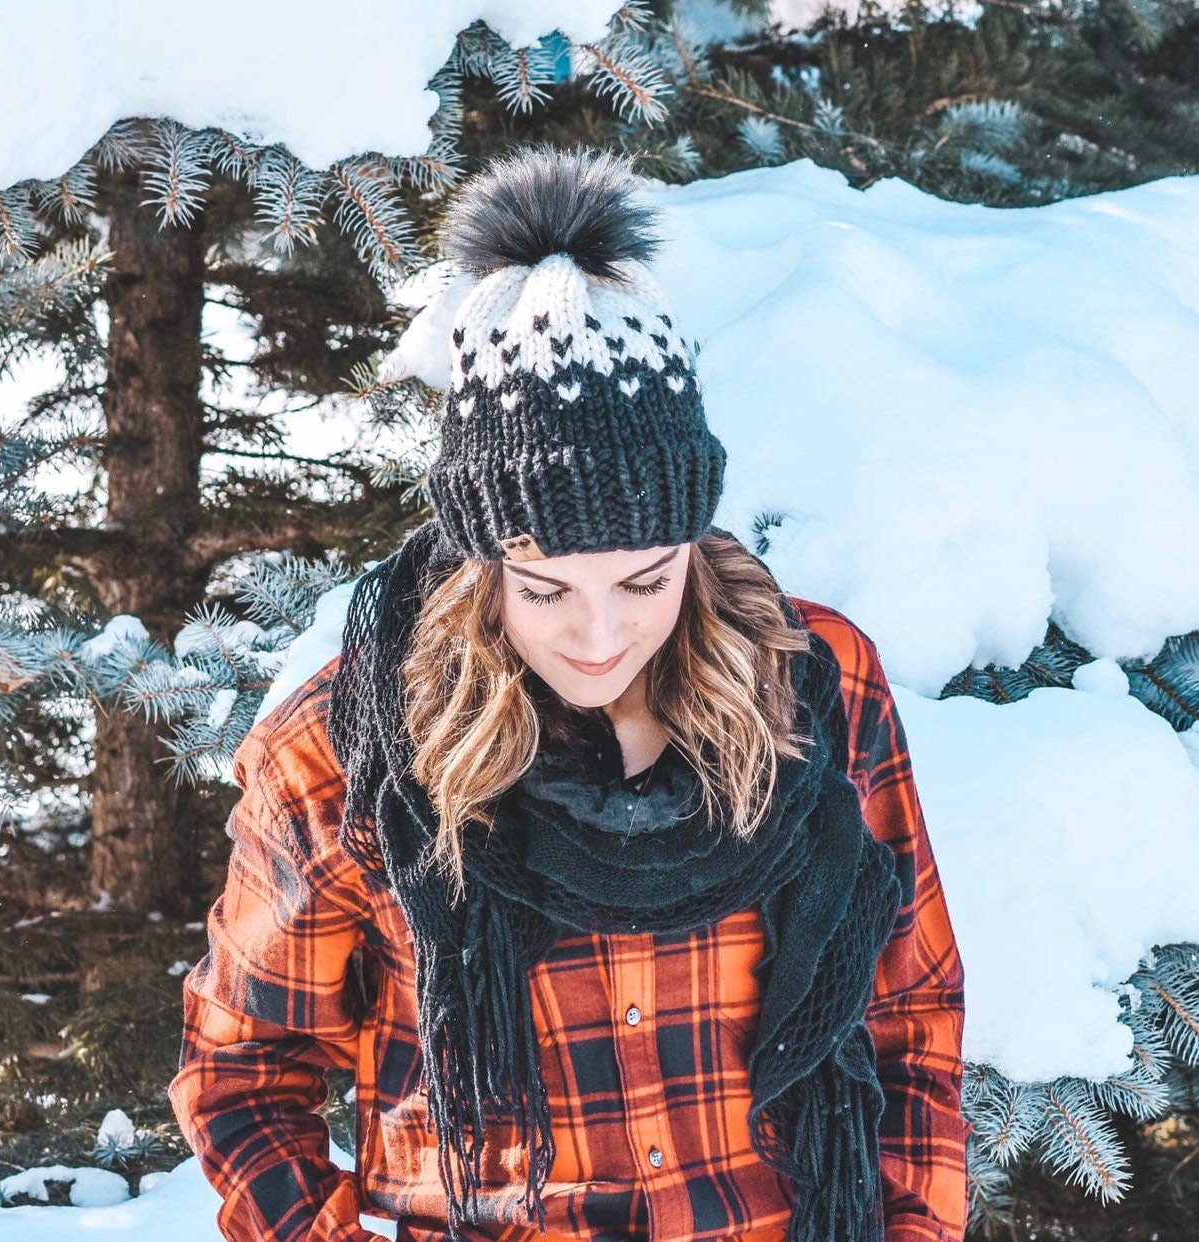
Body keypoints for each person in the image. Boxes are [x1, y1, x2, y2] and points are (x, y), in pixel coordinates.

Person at [168, 144, 970, 1242]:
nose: (599, 639)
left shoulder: (812, 685)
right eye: (544, 590)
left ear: (692, 544)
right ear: (480, 564)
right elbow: (244, 1072)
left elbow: (909, 1006)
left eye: (646, 581)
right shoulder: (346, 746)